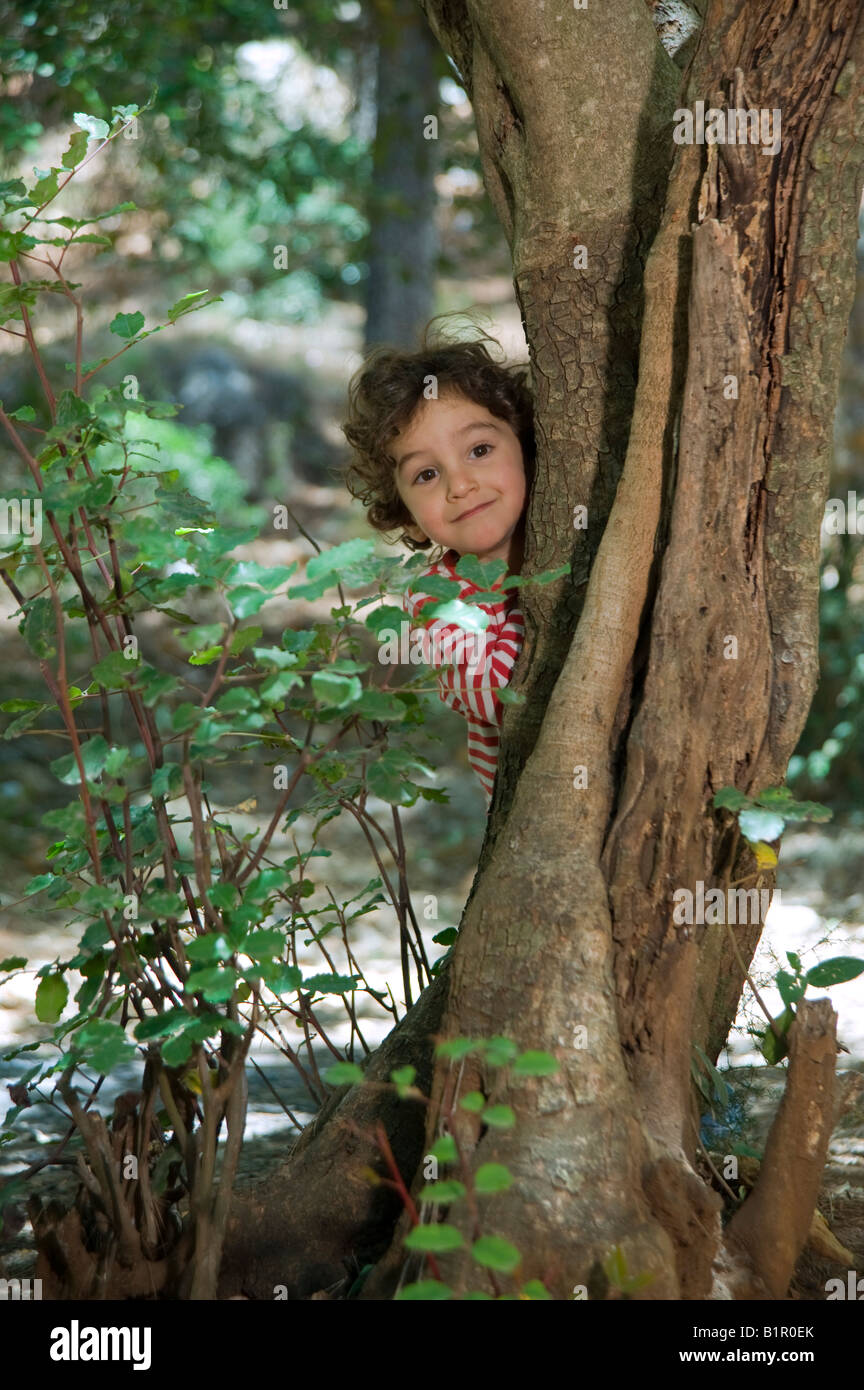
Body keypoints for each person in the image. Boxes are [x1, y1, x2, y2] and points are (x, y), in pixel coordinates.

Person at [341, 319, 534, 807]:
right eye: (427, 474)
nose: (460, 484)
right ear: (410, 519)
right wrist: (535, 615)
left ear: (528, 451)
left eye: (480, 450)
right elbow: (495, 698)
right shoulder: (440, 599)